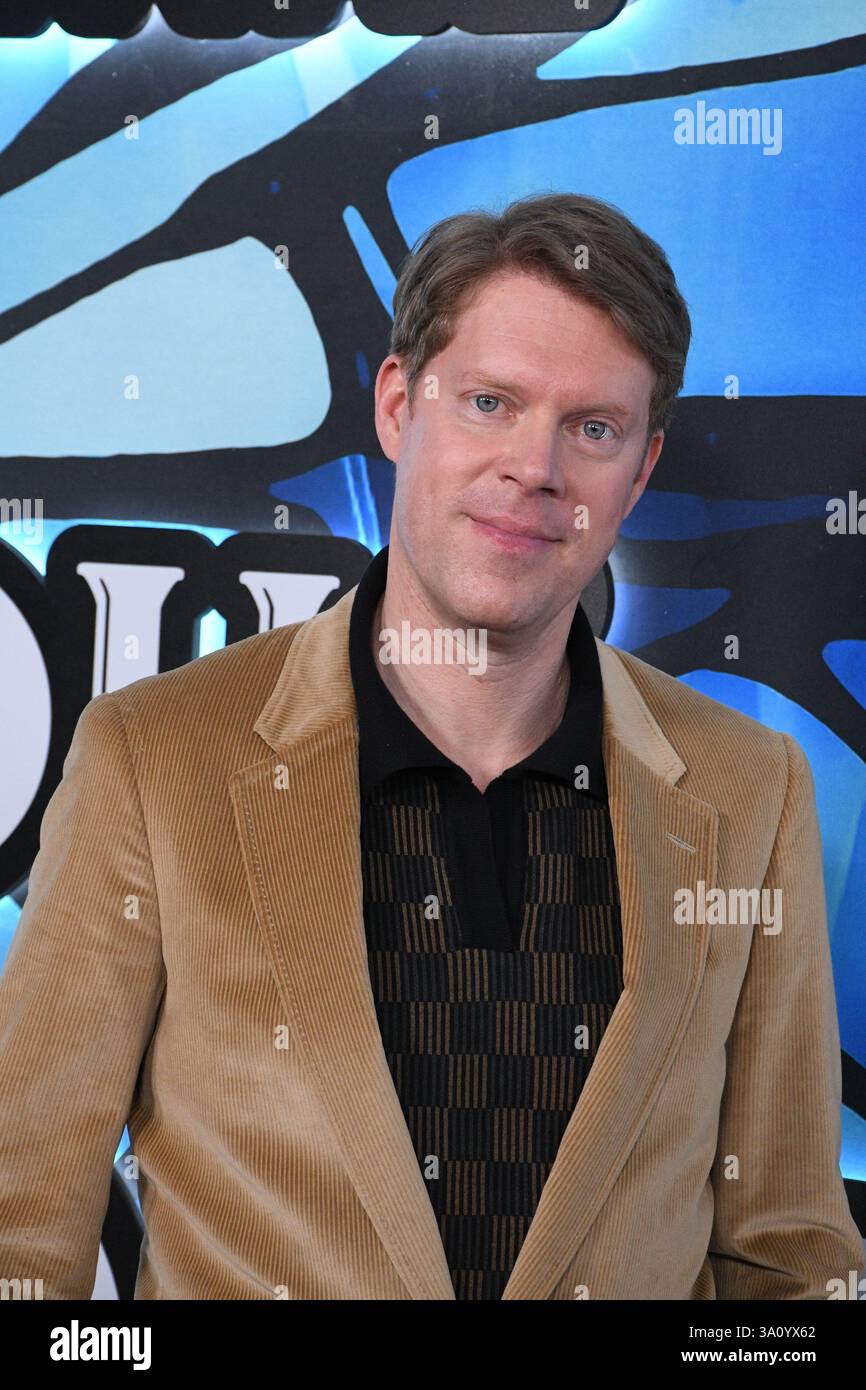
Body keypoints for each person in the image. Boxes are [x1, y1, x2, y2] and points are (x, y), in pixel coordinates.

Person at [0, 192, 862, 1300]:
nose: (533, 467)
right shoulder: (152, 761)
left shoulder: (749, 790)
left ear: (637, 472)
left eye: (590, 428)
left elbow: (786, 1258)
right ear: (400, 407)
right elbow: (20, 1237)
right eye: (491, 402)